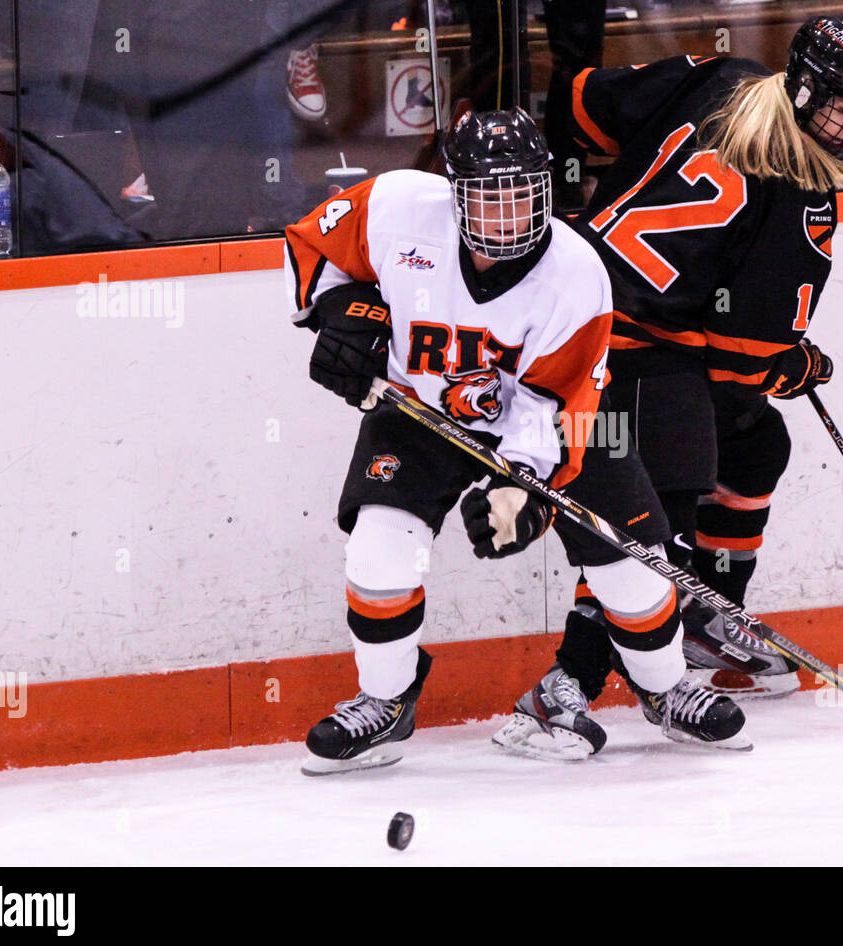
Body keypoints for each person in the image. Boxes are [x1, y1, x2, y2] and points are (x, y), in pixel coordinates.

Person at [283, 107, 752, 773]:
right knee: (378, 553)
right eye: (487, 198)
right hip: (418, 408)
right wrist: (342, 312)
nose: (506, 216)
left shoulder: (575, 273)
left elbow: (558, 403)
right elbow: (311, 247)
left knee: (634, 568)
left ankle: (665, 687)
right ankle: (385, 703)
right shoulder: (394, 207)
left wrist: (518, 491)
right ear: (454, 192)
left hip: (550, 418)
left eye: (521, 196)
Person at [493, 18, 843, 759]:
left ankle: (705, 618)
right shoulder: (804, 190)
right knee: (649, 521)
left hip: (559, 295)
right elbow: (746, 364)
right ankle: (562, 693)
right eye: (842, 107)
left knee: (750, 447)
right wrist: (798, 366)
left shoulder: (720, 77)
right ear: (804, 91)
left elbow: (584, 107)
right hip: (625, 344)